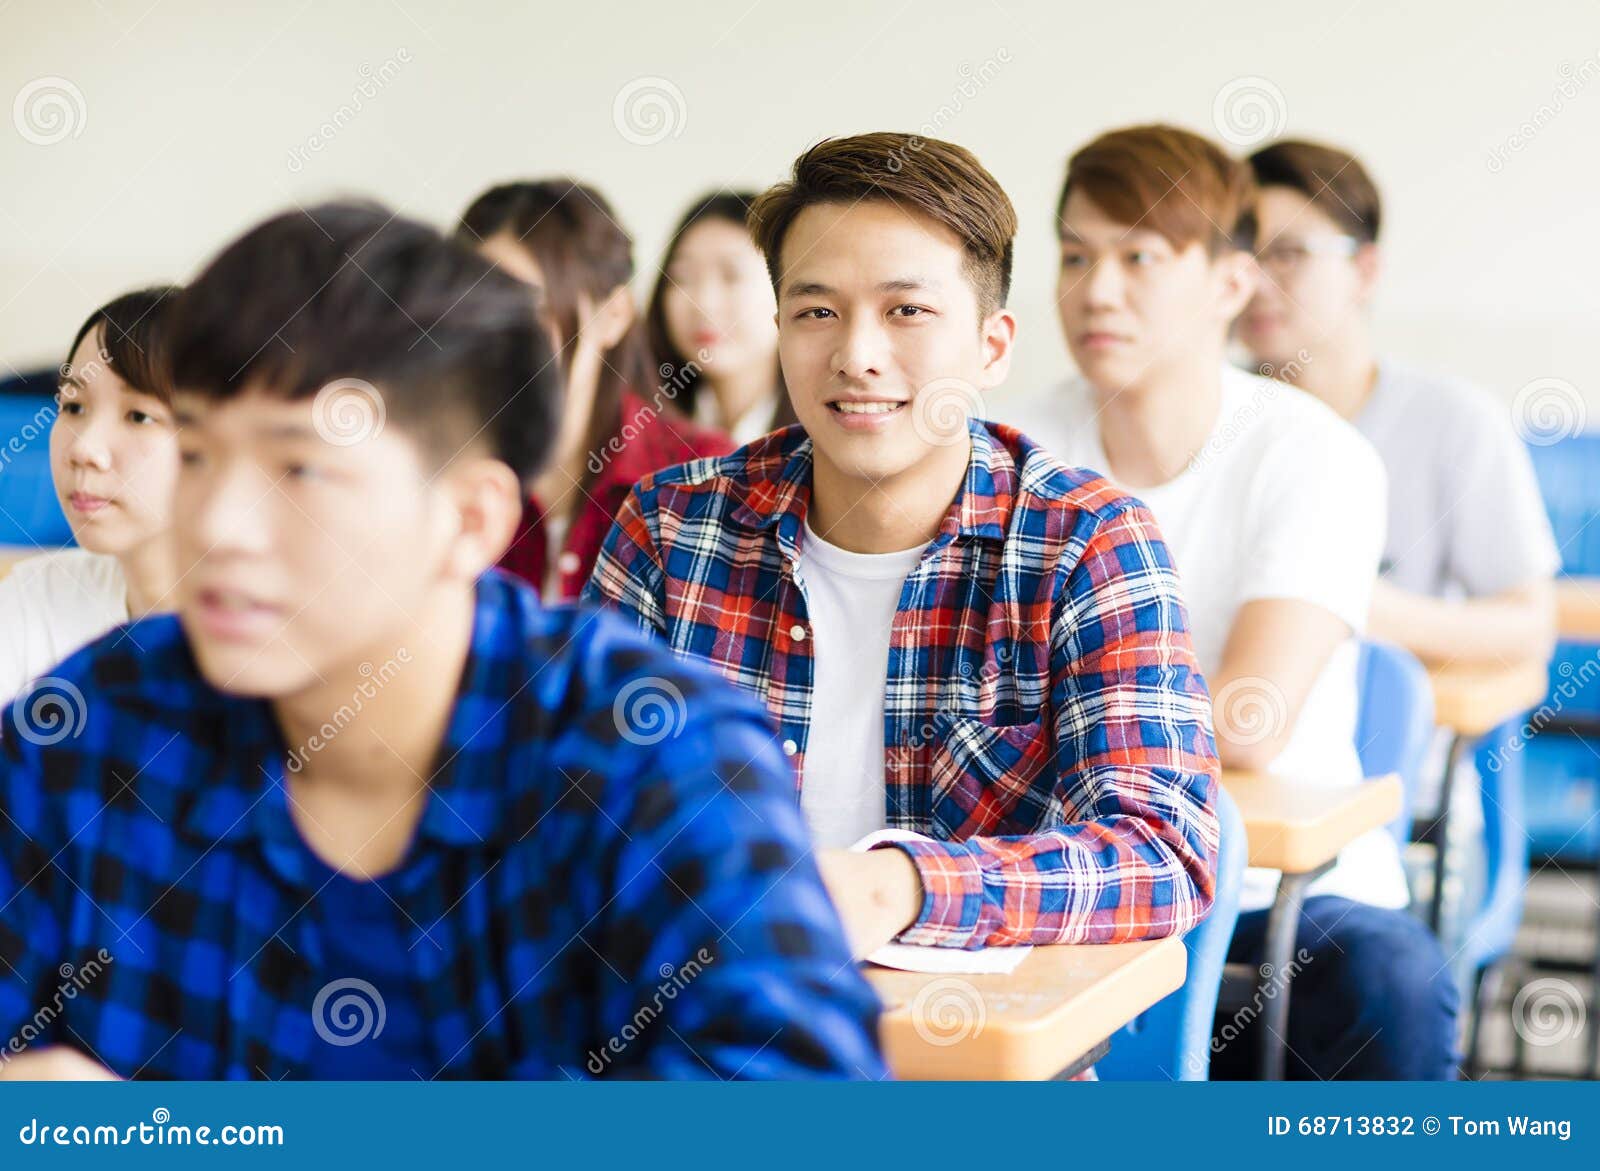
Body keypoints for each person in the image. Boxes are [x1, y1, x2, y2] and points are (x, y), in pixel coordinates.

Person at [0, 201, 884, 1081]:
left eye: (298, 467)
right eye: (195, 453)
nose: (220, 523)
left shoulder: (655, 756)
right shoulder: (90, 727)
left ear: (469, 519)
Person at [586, 132, 1220, 959]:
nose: (856, 356)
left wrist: (898, 885)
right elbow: (572, 808)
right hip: (698, 1037)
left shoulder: (1087, 544)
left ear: (992, 346)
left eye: (906, 311)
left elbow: (1163, 854)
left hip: (967, 1062)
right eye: (817, 312)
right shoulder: (673, 528)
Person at [1011, 124, 1459, 1079]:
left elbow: (1247, 720)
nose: (1097, 289)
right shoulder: (1015, 447)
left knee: (1395, 981)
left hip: (1276, 893)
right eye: (1076, 254)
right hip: (1054, 875)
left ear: (1230, 281)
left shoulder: (1314, 454)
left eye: (1139, 256)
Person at [1237, 138, 1558, 668]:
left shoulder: (1455, 421)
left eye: (1288, 254)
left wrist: (1339, 604)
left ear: (1365, 270)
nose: (1257, 284)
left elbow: (1528, 626)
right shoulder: (1210, 420)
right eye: (1243, 257)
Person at [457, 180, 732, 600]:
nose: (496, 337)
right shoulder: (441, 469)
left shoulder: (704, 475)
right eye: (477, 308)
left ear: (613, 315)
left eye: (531, 310)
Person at [0, 287, 181, 703]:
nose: (84, 449)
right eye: (74, 406)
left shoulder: (281, 640)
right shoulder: (36, 598)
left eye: (139, 416)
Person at [645, 190, 795, 443]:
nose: (704, 302)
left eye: (731, 275)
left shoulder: (820, 433)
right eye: (683, 277)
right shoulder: (646, 431)